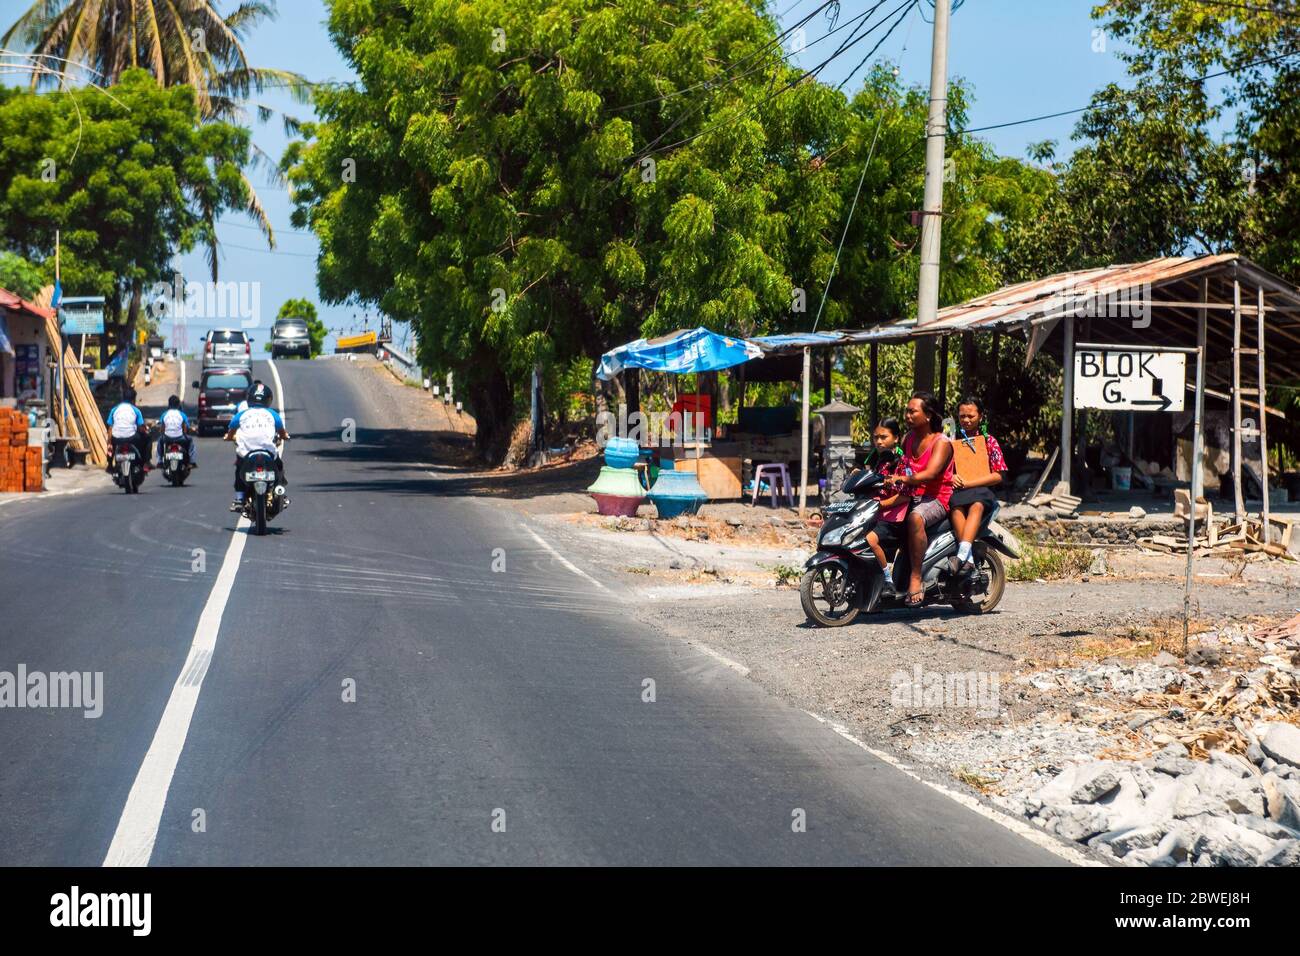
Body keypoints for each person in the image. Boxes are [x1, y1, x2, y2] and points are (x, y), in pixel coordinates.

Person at [897, 391, 954, 607]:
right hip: (913, 494)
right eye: (907, 411)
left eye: (913, 411)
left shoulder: (941, 442)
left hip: (937, 498)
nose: (908, 415)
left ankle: (915, 576)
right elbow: (900, 464)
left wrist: (904, 478)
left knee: (915, 518)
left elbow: (930, 474)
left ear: (928, 415)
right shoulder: (908, 438)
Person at [947, 396, 1007, 578]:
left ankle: (962, 555)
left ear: (980, 417)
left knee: (977, 505)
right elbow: (941, 468)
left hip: (981, 491)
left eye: (971, 416)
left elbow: (998, 475)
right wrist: (951, 476)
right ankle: (969, 559)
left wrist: (969, 483)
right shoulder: (950, 441)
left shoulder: (989, 442)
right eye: (962, 416)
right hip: (958, 492)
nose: (966, 420)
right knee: (955, 507)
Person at [224, 382, 288, 512]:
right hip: (268, 452)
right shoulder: (272, 414)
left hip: (247, 453)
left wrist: (229, 437)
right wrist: (285, 436)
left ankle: (239, 499)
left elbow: (230, 433)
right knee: (279, 467)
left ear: (249, 398)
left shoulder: (241, 415)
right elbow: (282, 433)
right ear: (269, 399)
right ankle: (280, 491)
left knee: (239, 469)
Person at [861, 418, 909, 574]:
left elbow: (906, 495)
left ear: (896, 438)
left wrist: (882, 504)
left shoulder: (903, 461)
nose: (879, 442)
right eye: (876, 437)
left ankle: (887, 579)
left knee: (870, 539)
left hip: (894, 516)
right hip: (875, 512)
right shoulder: (878, 460)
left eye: (884, 437)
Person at [104, 387, 151, 472]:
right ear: (133, 400)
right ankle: (146, 463)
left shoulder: (114, 410)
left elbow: (110, 428)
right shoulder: (136, 410)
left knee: (111, 447)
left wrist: (110, 442)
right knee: (147, 439)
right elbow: (140, 428)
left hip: (117, 438)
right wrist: (145, 430)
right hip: (131, 437)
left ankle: (110, 465)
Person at [156, 394, 197, 468]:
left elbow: (162, 428)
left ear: (169, 404)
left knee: (159, 441)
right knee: (190, 441)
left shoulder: (164, 414)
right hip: (180, 438)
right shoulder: (182, 414)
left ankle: (159, 461)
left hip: (167, 438)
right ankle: (192, 461)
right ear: (178, 405)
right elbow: (186, 427)